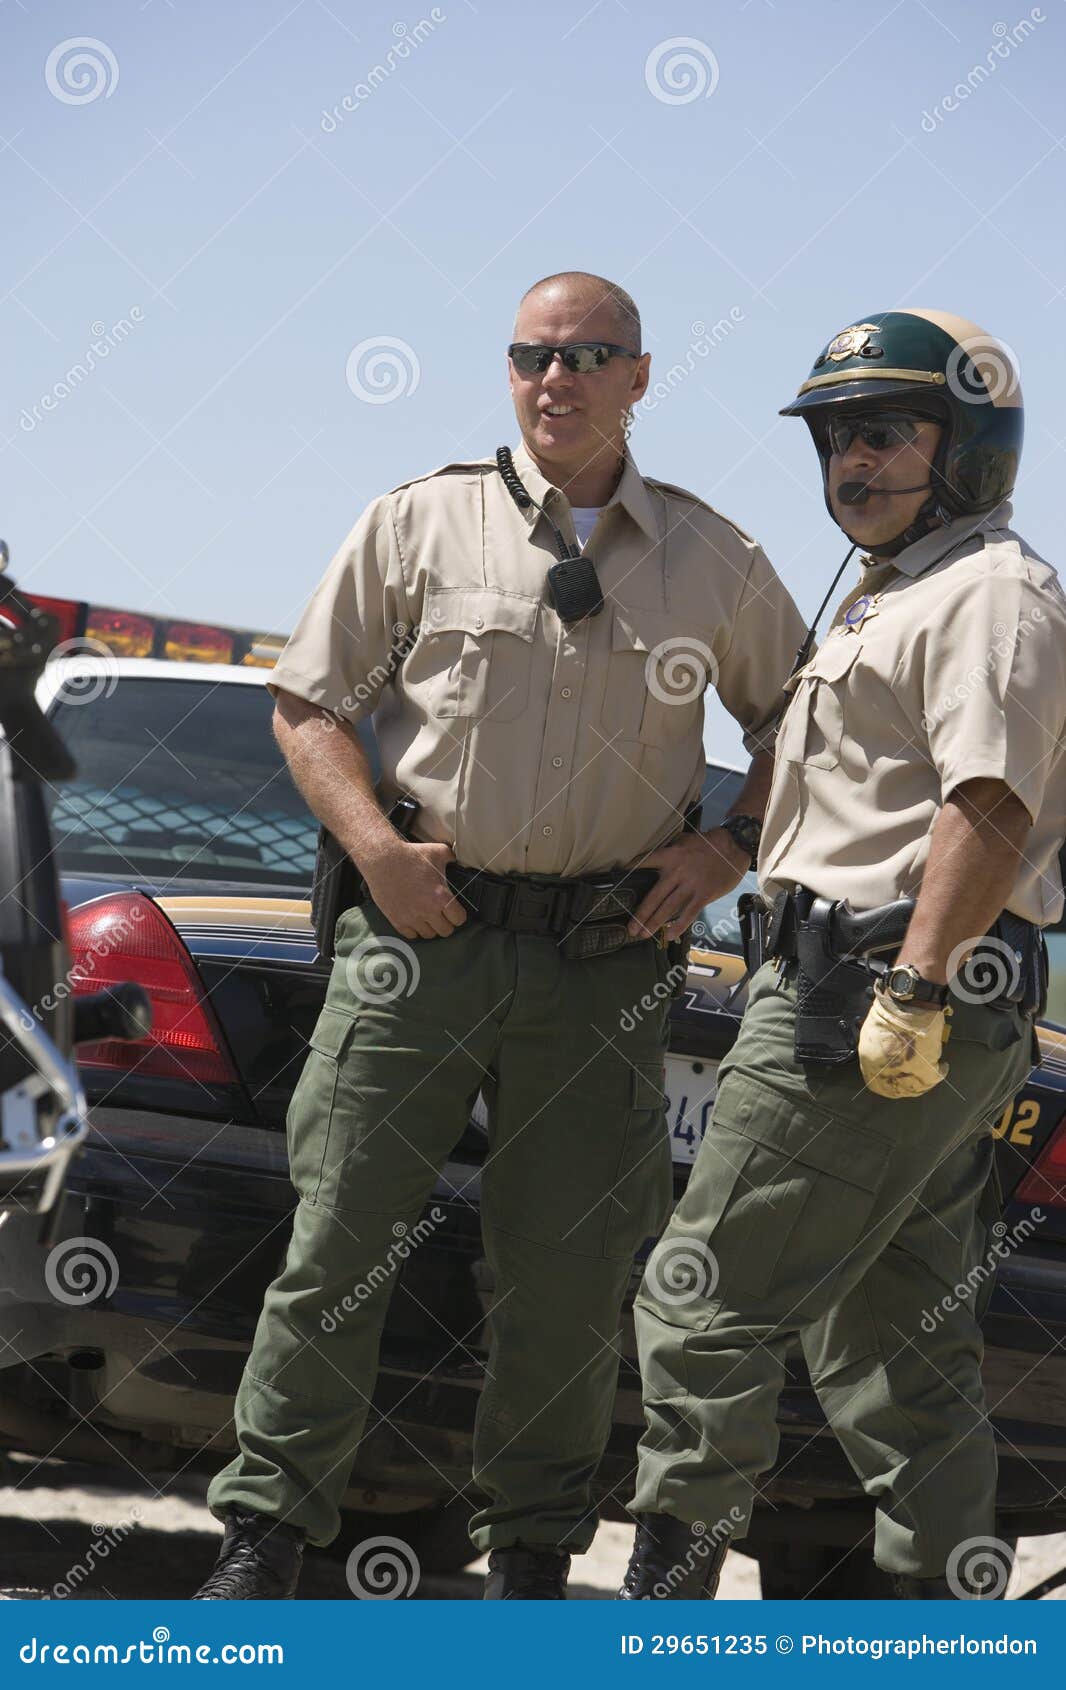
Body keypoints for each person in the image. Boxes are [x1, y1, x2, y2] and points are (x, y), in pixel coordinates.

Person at [192, 271, 805, 1599]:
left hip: (599, 959)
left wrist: (721, 845)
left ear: (639, 377)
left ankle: (528, 1563)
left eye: (588, 354)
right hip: (419, 936)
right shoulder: (420, 521)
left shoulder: (715, 558)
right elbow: (307, 706)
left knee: (568, 1274)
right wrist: (374, 851)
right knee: (337, 1245)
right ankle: (261, 1544)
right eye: (532, 354)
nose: (555, 378)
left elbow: (799, 727)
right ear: (509, 369)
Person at [621, 309, 1066, 1601]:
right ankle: (940, 1633)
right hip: (878, 993)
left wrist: (914, 987)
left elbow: (987, 808)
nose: (850, 463)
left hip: (870, 996)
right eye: (834, 439)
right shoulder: (898, 591)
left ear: (966, 444)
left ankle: (658, 1629)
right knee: (892, 1341)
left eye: (882, 432)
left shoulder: (987, 591)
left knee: (702, 1300)